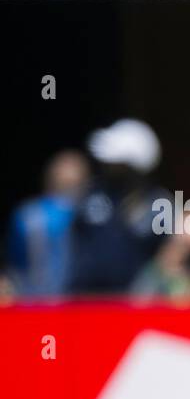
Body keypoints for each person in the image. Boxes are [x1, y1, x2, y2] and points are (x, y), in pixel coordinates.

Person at [66, 119, 170, 294]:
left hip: (134, 306)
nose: (108, 166)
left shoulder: (159, 205)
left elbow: (166, 260)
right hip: (84, 302)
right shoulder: (92, 195)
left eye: (118, 163)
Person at [4, 150, 88, 299]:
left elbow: (14, 263)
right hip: (72, 305)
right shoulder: (90, 216)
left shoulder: (26, 214)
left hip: (32, 303)